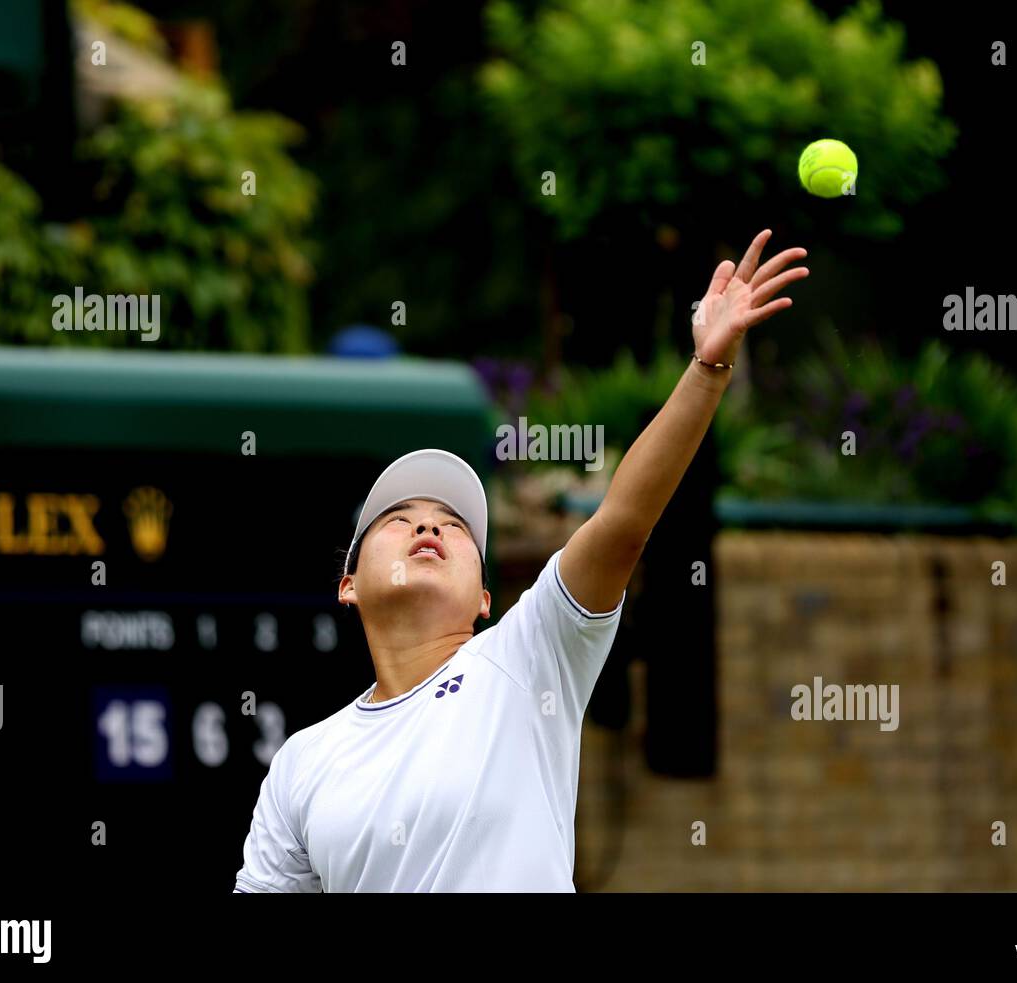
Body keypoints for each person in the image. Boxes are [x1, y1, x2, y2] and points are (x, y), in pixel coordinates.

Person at [233, 229, 808, 892]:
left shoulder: (527, 654)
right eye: (397, 520)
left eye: (453, 526)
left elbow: (622, 522)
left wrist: (706, 371)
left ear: (485, 599)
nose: (428, 524)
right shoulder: (303, 763)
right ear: (348, 584)